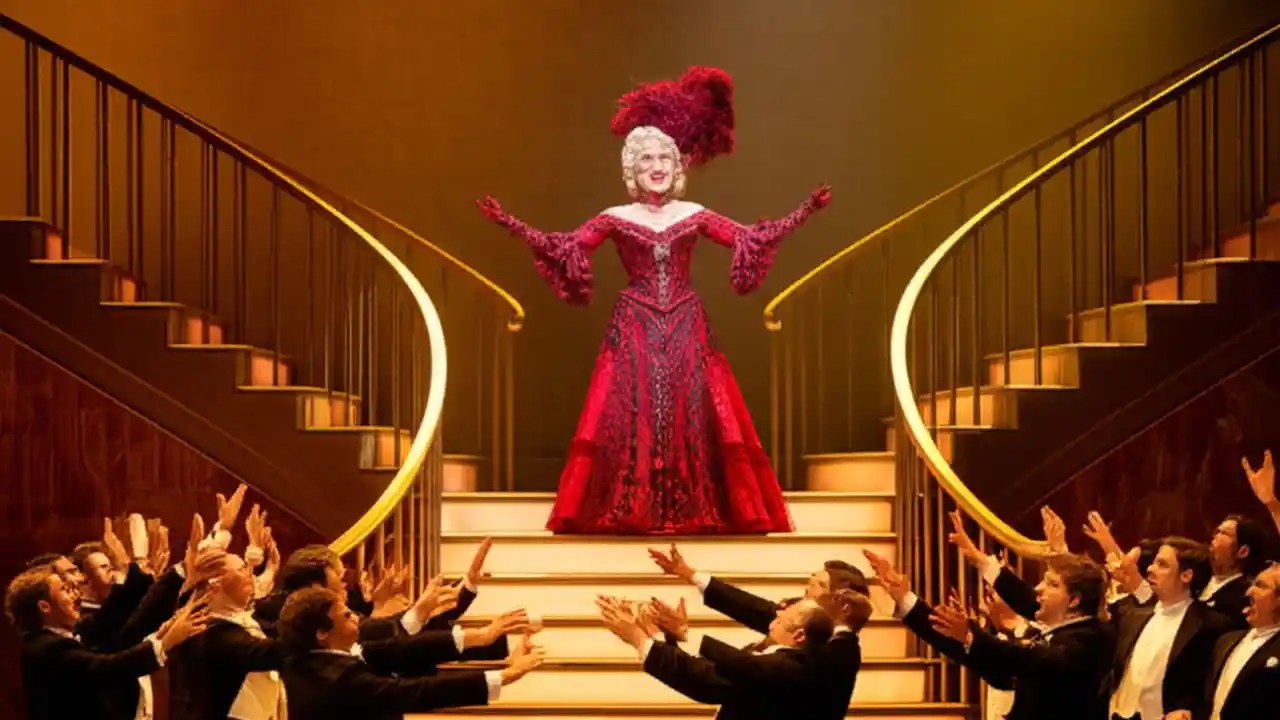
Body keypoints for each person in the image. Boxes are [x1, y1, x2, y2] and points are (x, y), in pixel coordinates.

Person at [478, 66, 829, 535]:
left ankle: (692, 507)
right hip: (635, 323)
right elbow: (565, 248)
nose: (657, 166)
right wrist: (512, 225)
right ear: (633, 168)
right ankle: (635, 506)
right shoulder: (615, 216)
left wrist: (804, 213)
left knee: (693, 412)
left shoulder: (694, 213)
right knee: (632, 414)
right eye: (646, 159)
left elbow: (751, 239)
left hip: (686, 320)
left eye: (665, 157)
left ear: (677, 166)